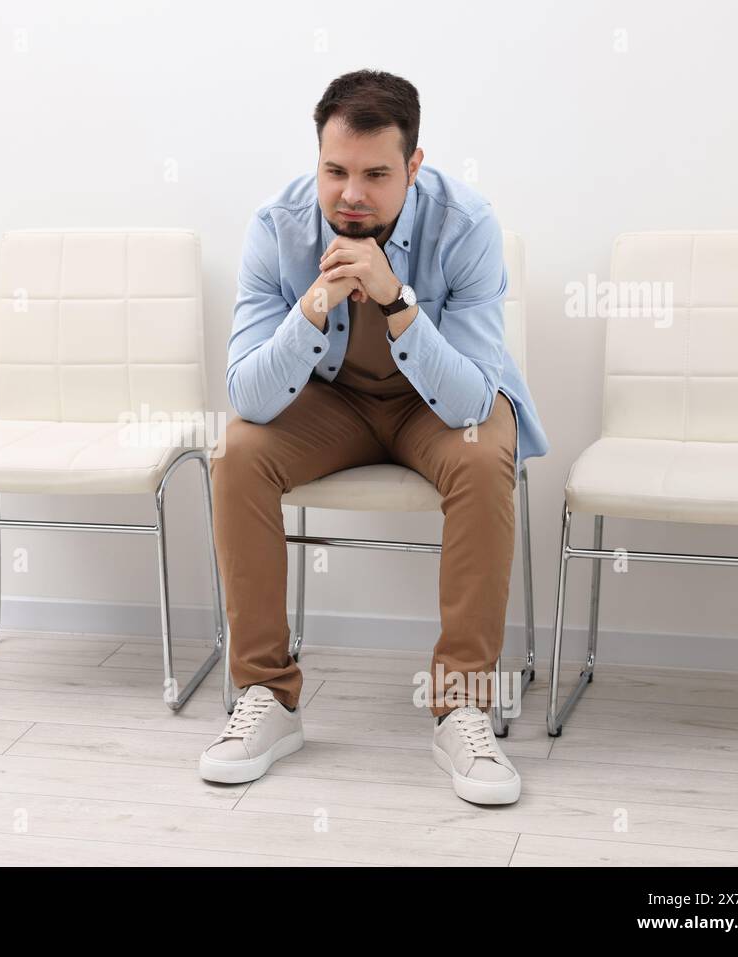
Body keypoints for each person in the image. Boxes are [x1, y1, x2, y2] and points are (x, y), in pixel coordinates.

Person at [198, 69, 550, 805]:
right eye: (335, 170)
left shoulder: (470, 225)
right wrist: (316, 303)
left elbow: (470, 399)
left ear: (414, 168)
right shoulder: (275, 227)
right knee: (234, 451)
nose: (350, 193)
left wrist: (394, 300)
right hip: (331, 407)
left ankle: (461, 704)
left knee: (487, 456)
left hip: (436, 404)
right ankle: (267, 695)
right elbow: (250, 397)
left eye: (375, 174)